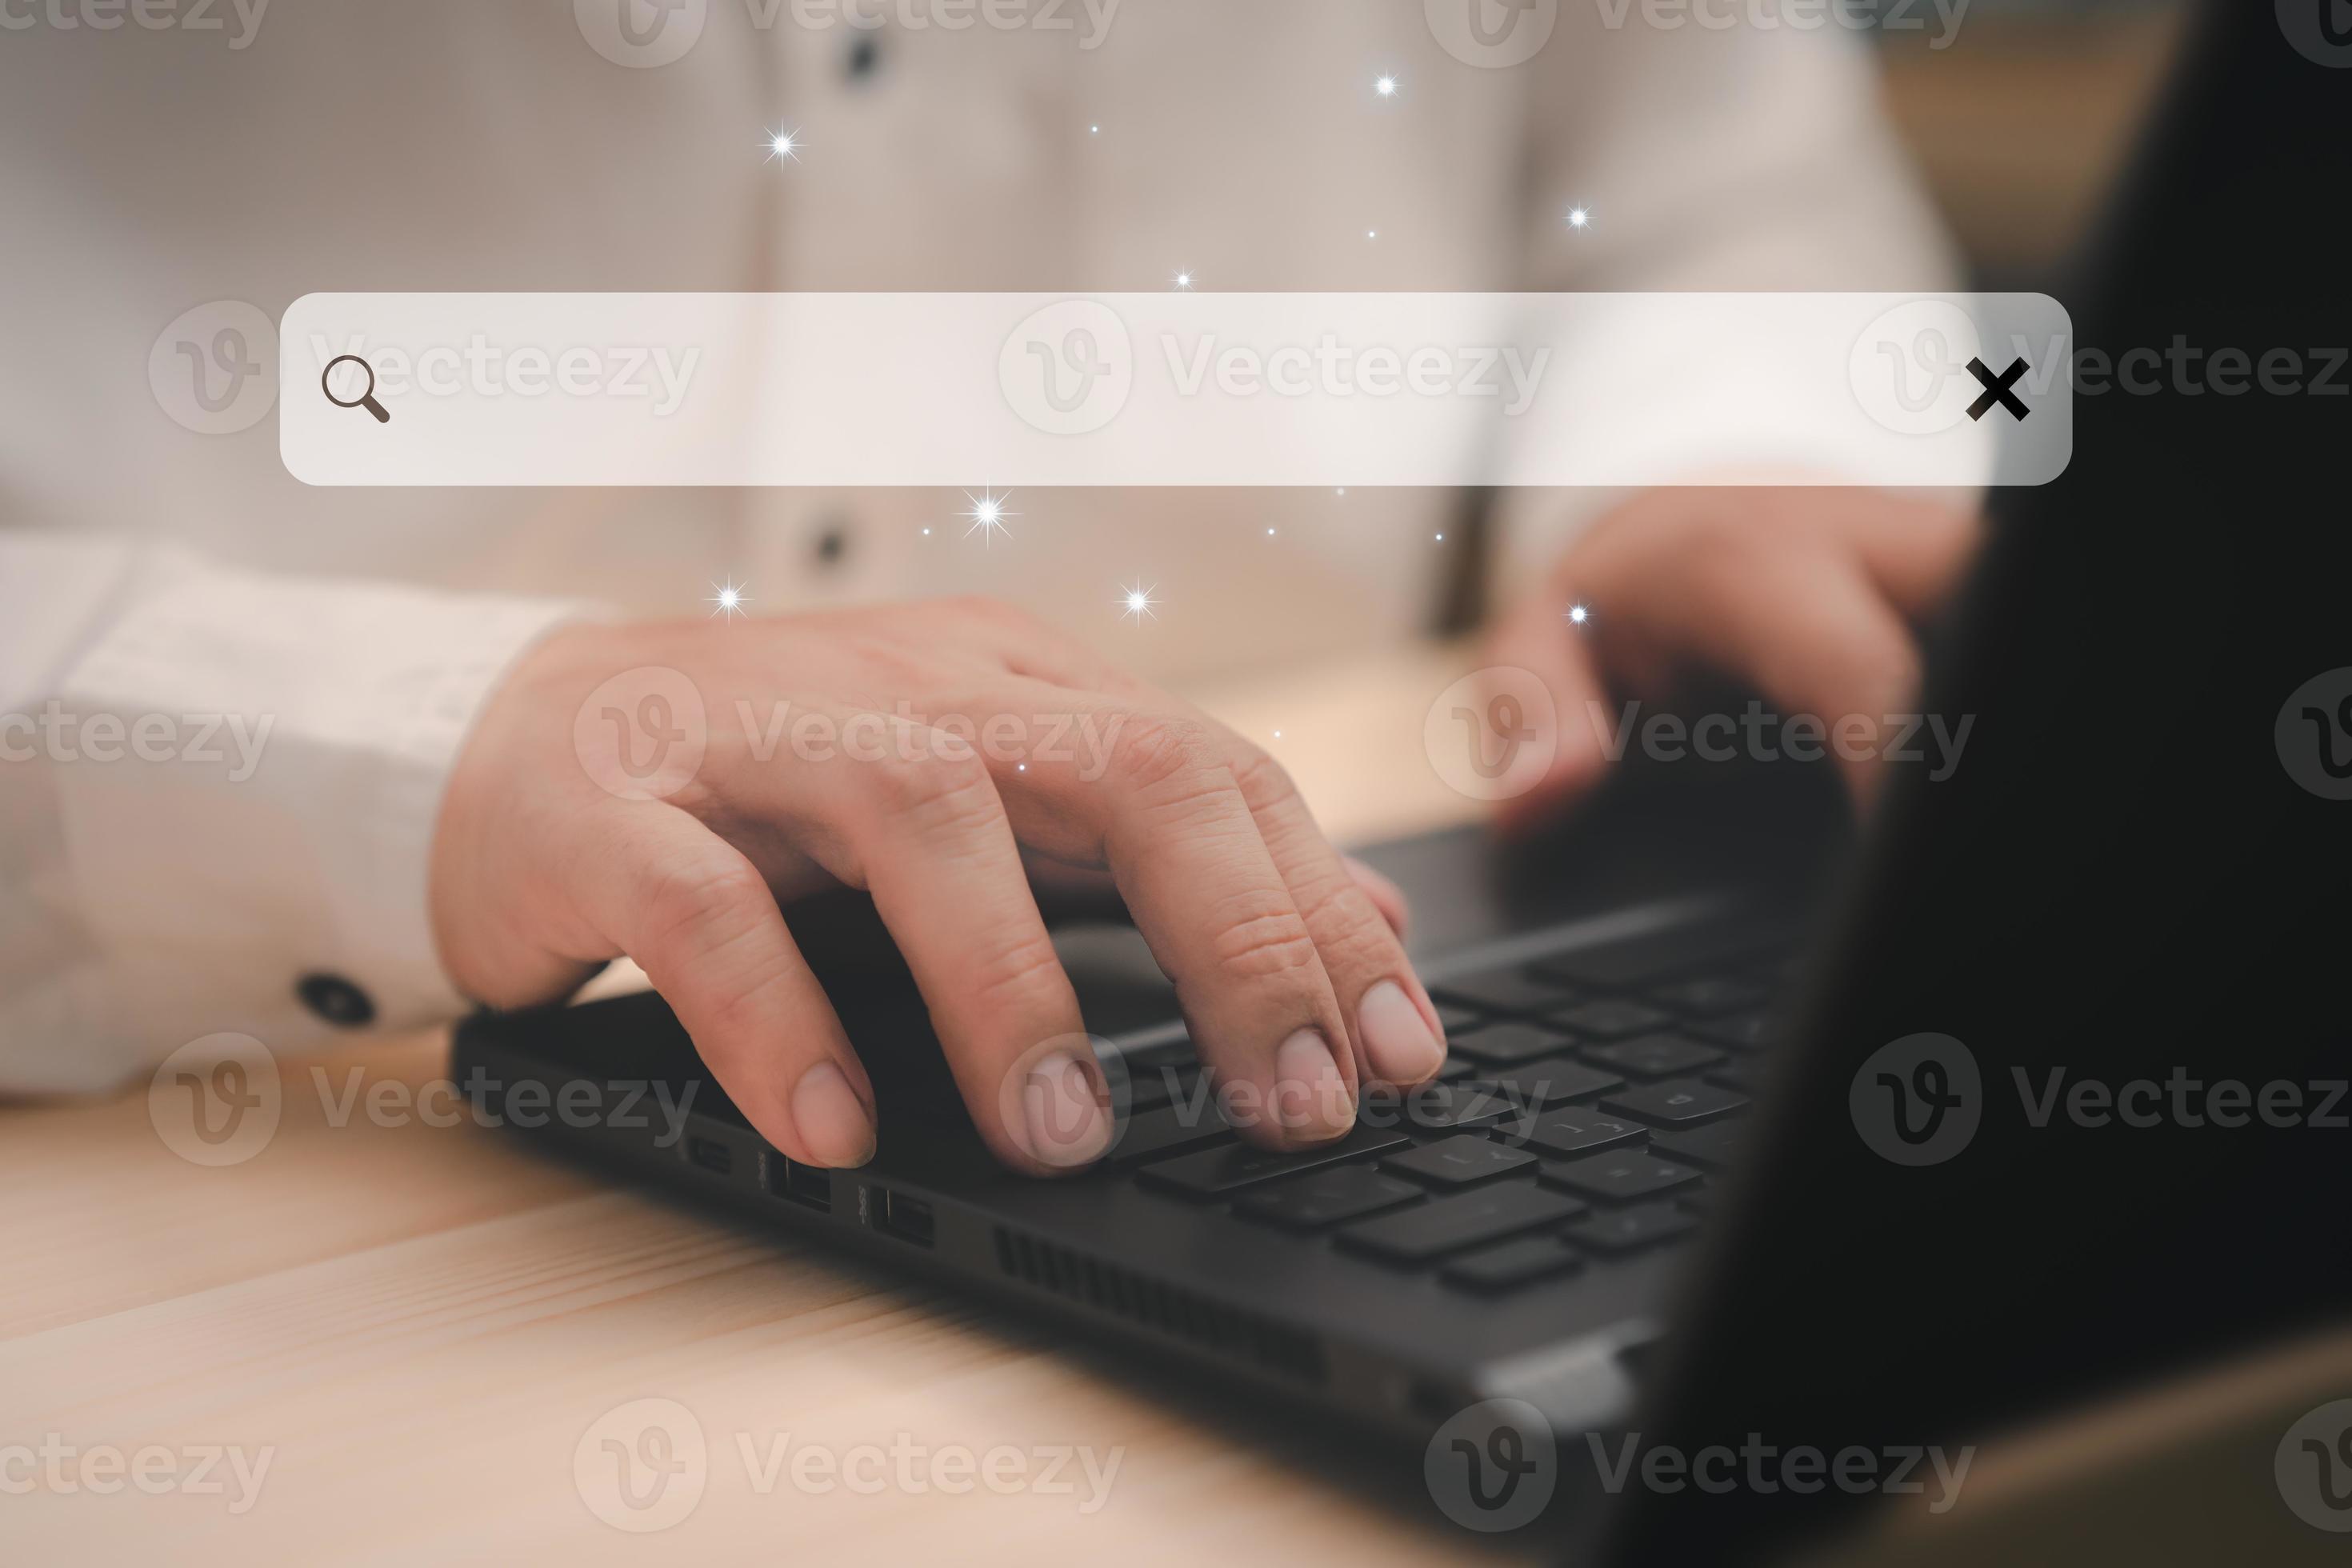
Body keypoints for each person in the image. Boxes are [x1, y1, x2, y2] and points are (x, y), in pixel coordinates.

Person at [0, 0, 1975, 1175]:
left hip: (1399, 876)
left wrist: (1722, 443)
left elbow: (1718, 189)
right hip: (226, 1130)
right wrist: (398, 737)